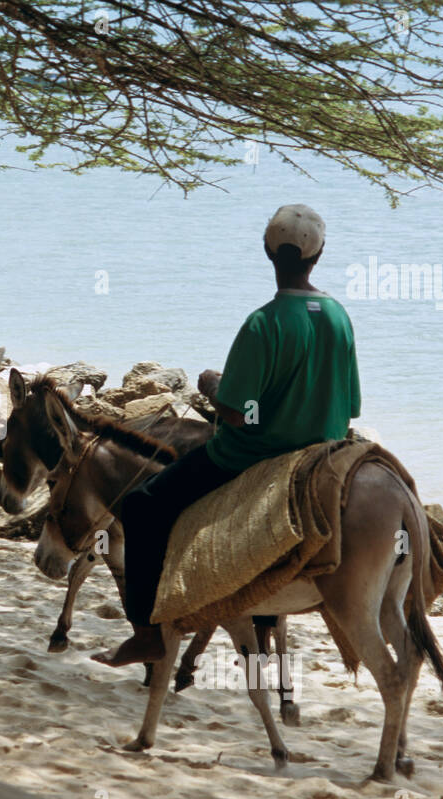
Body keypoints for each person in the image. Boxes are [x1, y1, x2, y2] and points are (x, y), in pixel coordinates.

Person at [93, 204, 361, 667]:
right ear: (318, 257)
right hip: (325, 452)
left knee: (141, 506)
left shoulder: (264, 323)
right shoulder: (337, 316)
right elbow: (351, 405)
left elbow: (243, 417)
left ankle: (146, 632)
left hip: (252, 455)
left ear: (267, 253)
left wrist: (213, 386)